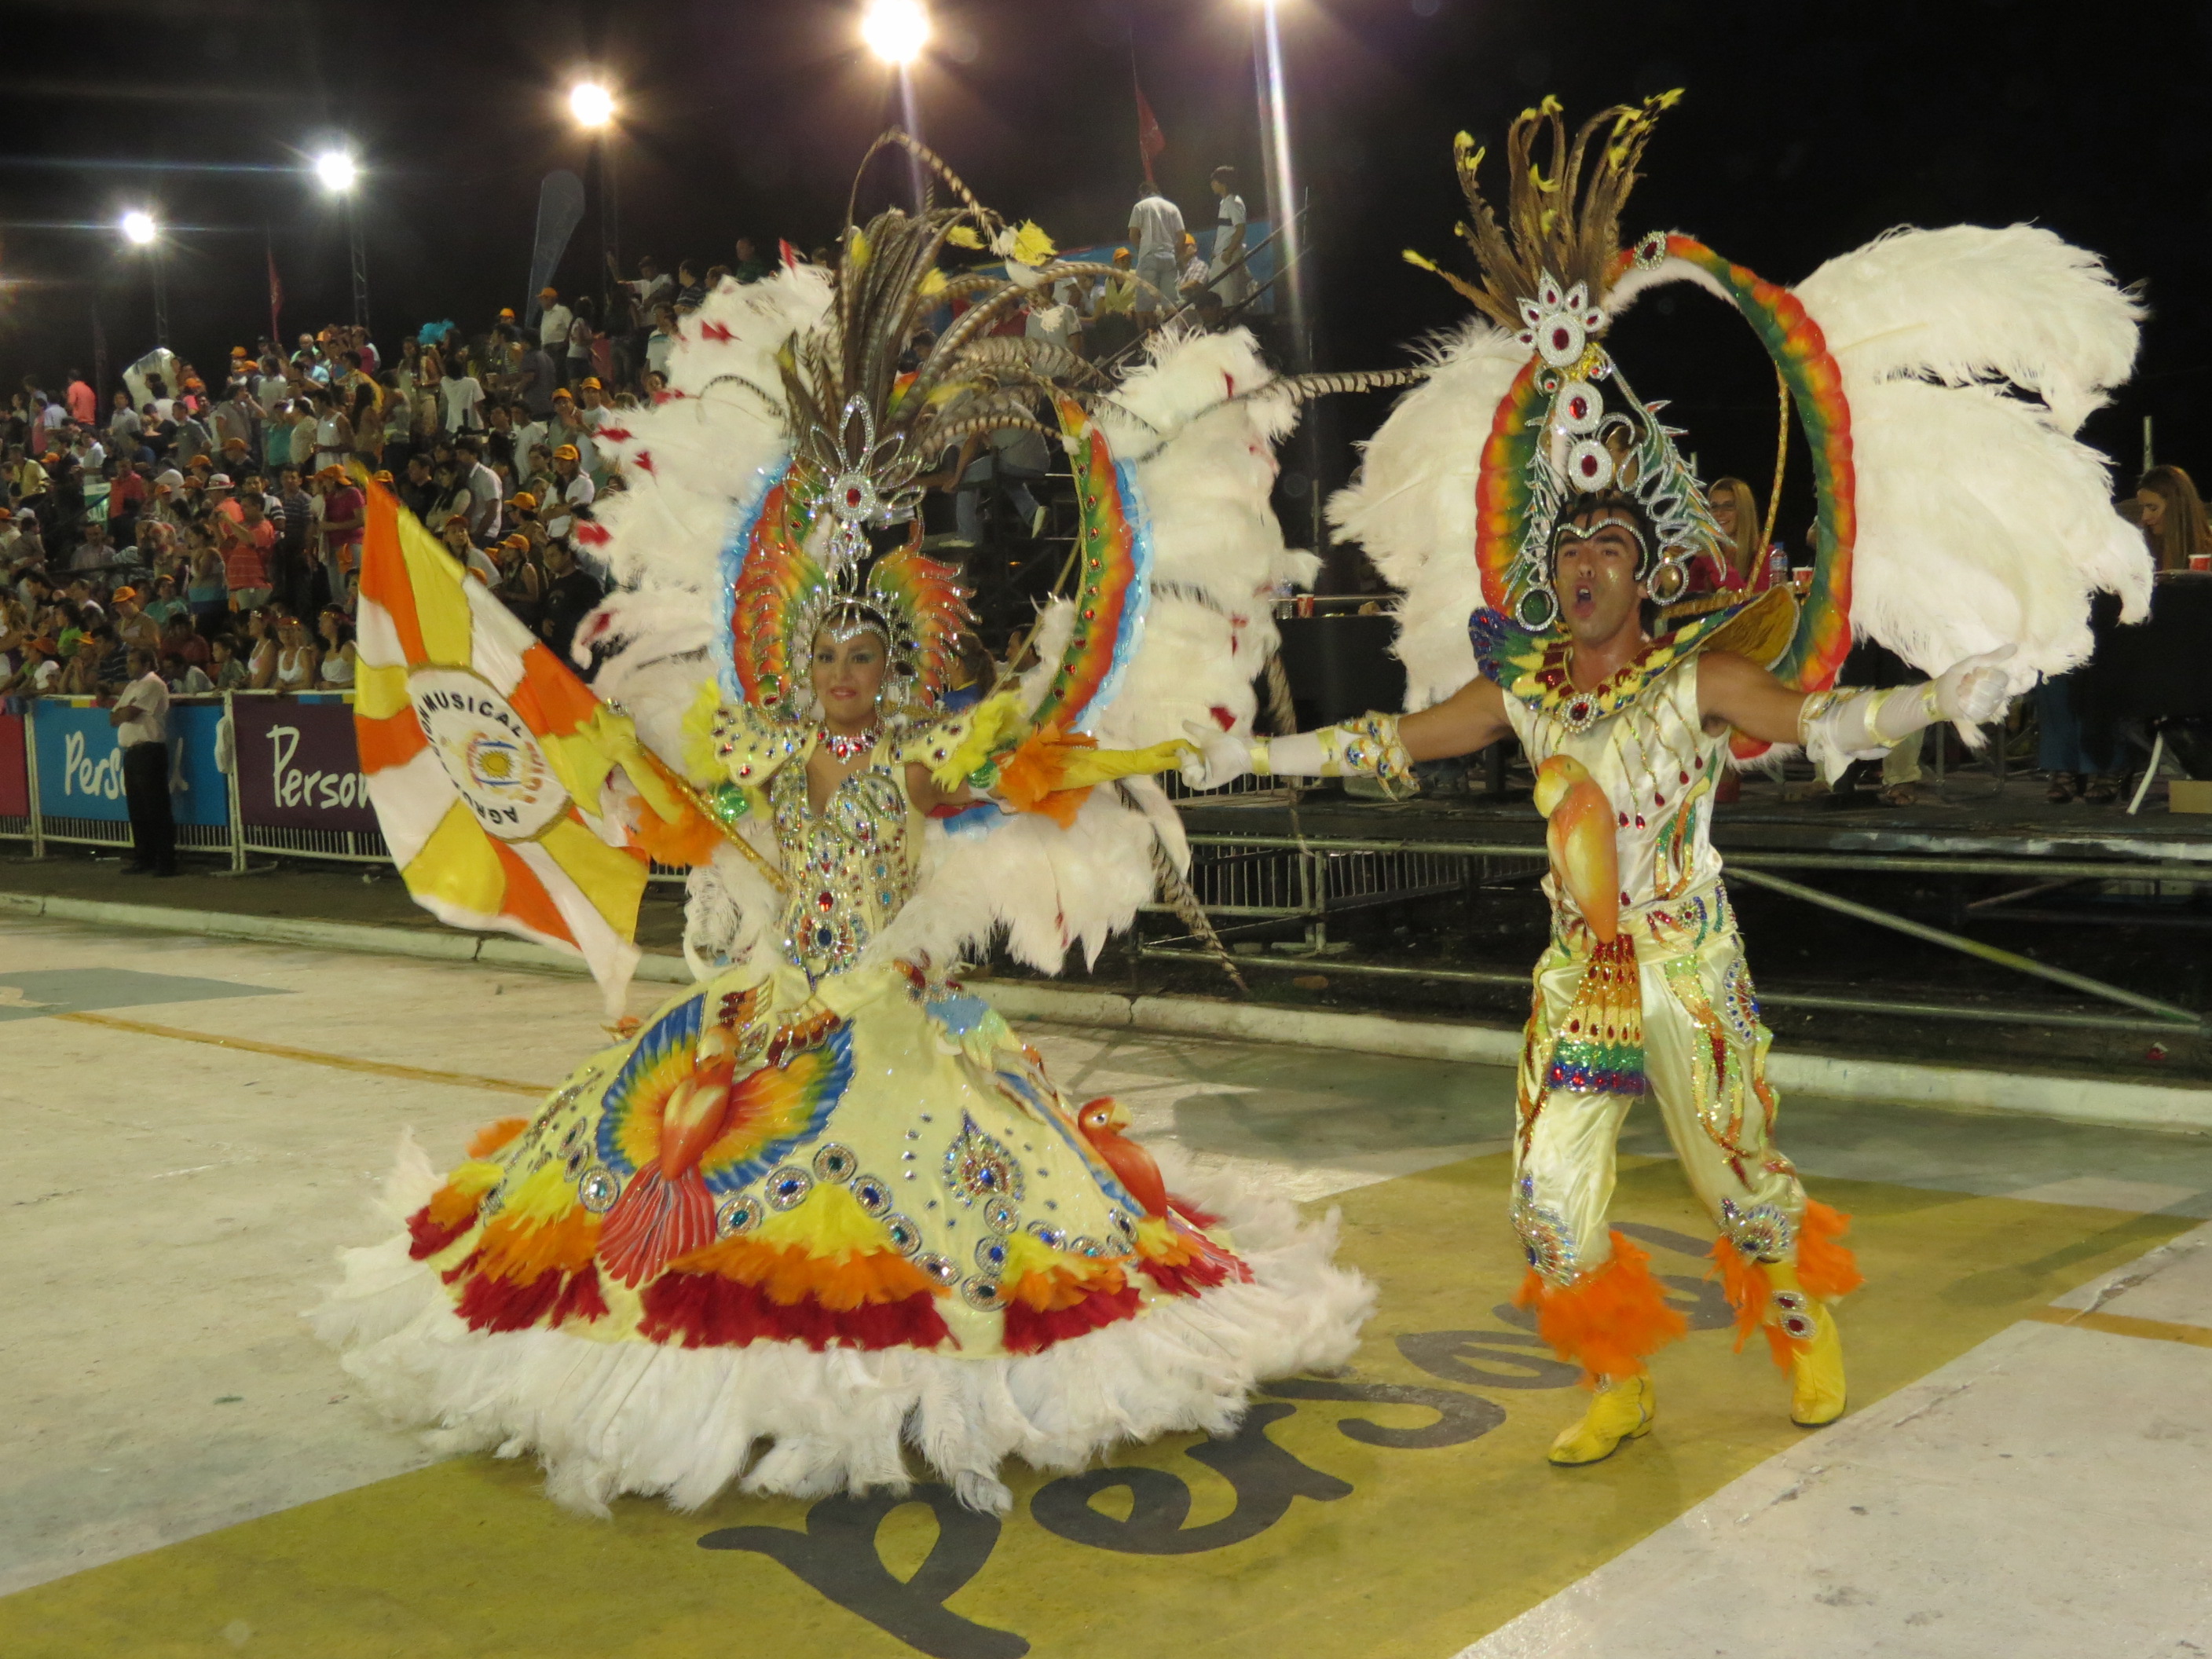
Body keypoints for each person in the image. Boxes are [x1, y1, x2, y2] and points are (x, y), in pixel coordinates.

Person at [1185, 97, 2141, 1470]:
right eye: (1568, 548)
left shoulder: (1694, 681)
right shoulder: (1526, 688)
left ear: (1646, 572)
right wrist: (1252, 754)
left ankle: (1801, 1322)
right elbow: (1402, 741)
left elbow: (1820, 717)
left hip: (1690, 963)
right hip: (1580, 976)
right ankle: (1615, 1376)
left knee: (1736, 1179)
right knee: (1546, 1200)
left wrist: (1943, 694)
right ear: (1548, 569)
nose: (1583, 565)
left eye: (1609, 549)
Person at [109, 646, 175, 876]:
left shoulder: (152, 684)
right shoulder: (133, 686)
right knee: (137, 809)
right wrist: (123, 712)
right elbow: (114, 716)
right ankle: (144, 857)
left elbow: (127, 715)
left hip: (149, 750)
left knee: (155, 808)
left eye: (133, 661)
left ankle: (165, 861)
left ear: (147, 664)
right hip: (133, 752)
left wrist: (124, 712)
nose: (128, 666)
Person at [1127, 182, 1185, 328]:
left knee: (1145, 306)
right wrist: (1175, 253)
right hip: (1169, 256)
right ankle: (1177, 338)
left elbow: (1133, 235)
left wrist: (1142, 251)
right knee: (1171, 303)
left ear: (1142, 194)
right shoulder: (1172, 207)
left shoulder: (1140, 206)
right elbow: (1182, 236)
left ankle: (1148, 342)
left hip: (1149, 256)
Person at [2136, 466, 2211, 573]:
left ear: (2179, 506)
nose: (2145, 517)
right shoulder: (2141, 550)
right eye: (2143, 508)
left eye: (2153, 508)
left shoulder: (2207, 552)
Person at [1207, 165, 1257, 310]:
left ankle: (1232, 330)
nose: (1212, 184)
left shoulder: (1234, 202)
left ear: (1223, 183)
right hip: (1221, 256)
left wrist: (1228, 252)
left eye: (1215, 181)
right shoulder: (1224, 202)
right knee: (1216, 298)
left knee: (1228, 300)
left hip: (1227, 257)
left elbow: (1240, 229)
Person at [314, 607, 356, 687]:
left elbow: (364, 676)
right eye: (320, 621)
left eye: (325, 621)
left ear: (338, 623)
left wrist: (339, 686)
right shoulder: (326, 652)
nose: (320, 625)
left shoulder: (348, 648)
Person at [535, 288, 573, 376]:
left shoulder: (563, 311)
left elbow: (572, 328)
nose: (540, 302)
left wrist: (565, 343)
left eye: (542, 299)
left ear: (550, 299)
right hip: (546, 349)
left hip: (559, 349)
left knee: (557, 375)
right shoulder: (545, 314)